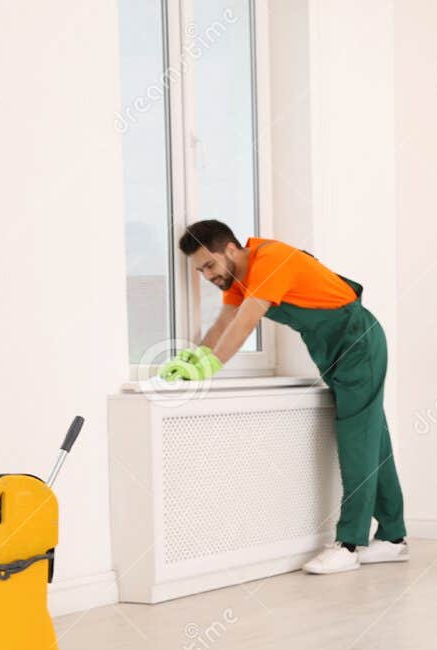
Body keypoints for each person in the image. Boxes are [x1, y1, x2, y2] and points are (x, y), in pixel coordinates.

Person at [172, 221, 407, 574]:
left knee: (356, 442)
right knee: (373, 442)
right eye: (200, 270)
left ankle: (349, 543)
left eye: (209, 265)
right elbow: (225, 321)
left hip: (358, 344)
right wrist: (194, 356)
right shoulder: (238, 281)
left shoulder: (271, 259)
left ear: (231, 250)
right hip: (334, 354)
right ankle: (392, 538)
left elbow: (247, 320)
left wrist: (212, 366)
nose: (207, 276)